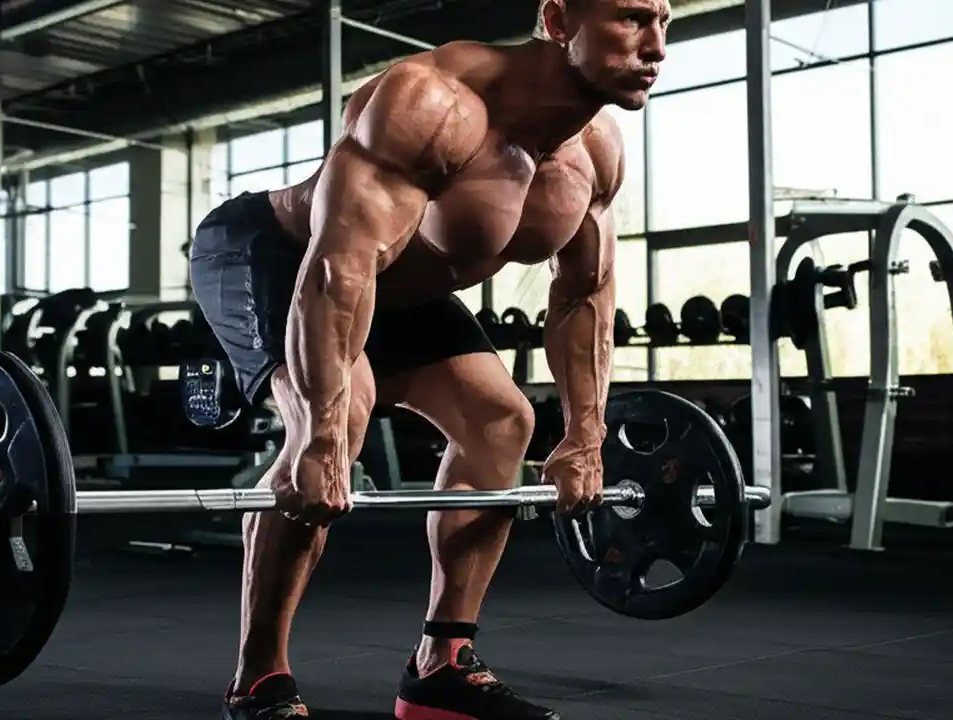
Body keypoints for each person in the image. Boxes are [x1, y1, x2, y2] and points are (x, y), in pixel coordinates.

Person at [189, 0, 669, 717]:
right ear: (558, 19)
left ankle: (441, 664)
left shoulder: (597, 153)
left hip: (399, 289)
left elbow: (583, 297)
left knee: (502, 422)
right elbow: (341, 267)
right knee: (340, 420)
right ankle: (259, 675)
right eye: (631, 18)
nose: (656, 45)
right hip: (280, 256)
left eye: (665, 22)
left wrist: (586, 435)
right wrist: (321, 436)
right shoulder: (433, 102)